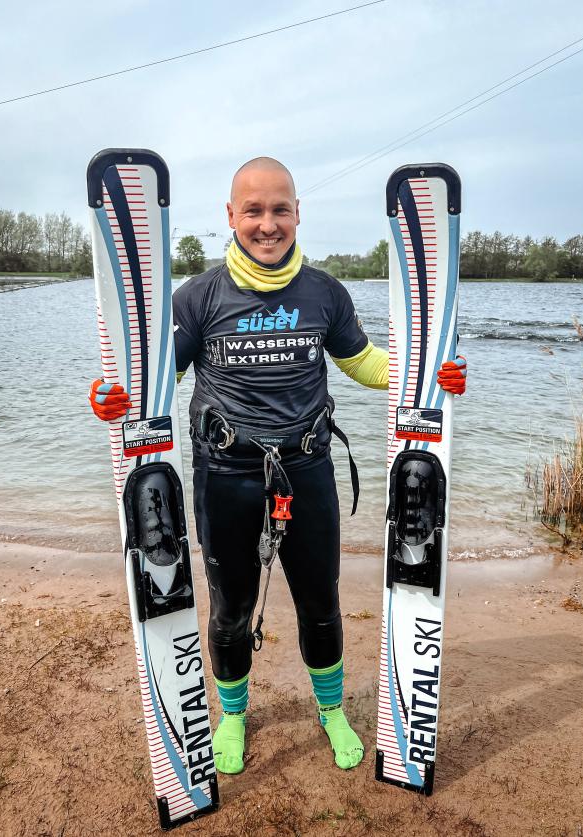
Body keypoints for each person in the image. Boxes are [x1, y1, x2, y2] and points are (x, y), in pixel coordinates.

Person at [89, 157, 467, 775]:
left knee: (321, 601)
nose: (268, 224)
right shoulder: (198, 297)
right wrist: (113, 398)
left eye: (280, 209)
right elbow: (155, 382)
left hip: (308, 469)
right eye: (254, 210)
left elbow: (367, 364)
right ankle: (232, 715)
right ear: (231, 217)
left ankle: (332, 711)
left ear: (297, 213)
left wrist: (429, 379)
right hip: (227, 475)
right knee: (230, 608)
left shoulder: (324, 293)